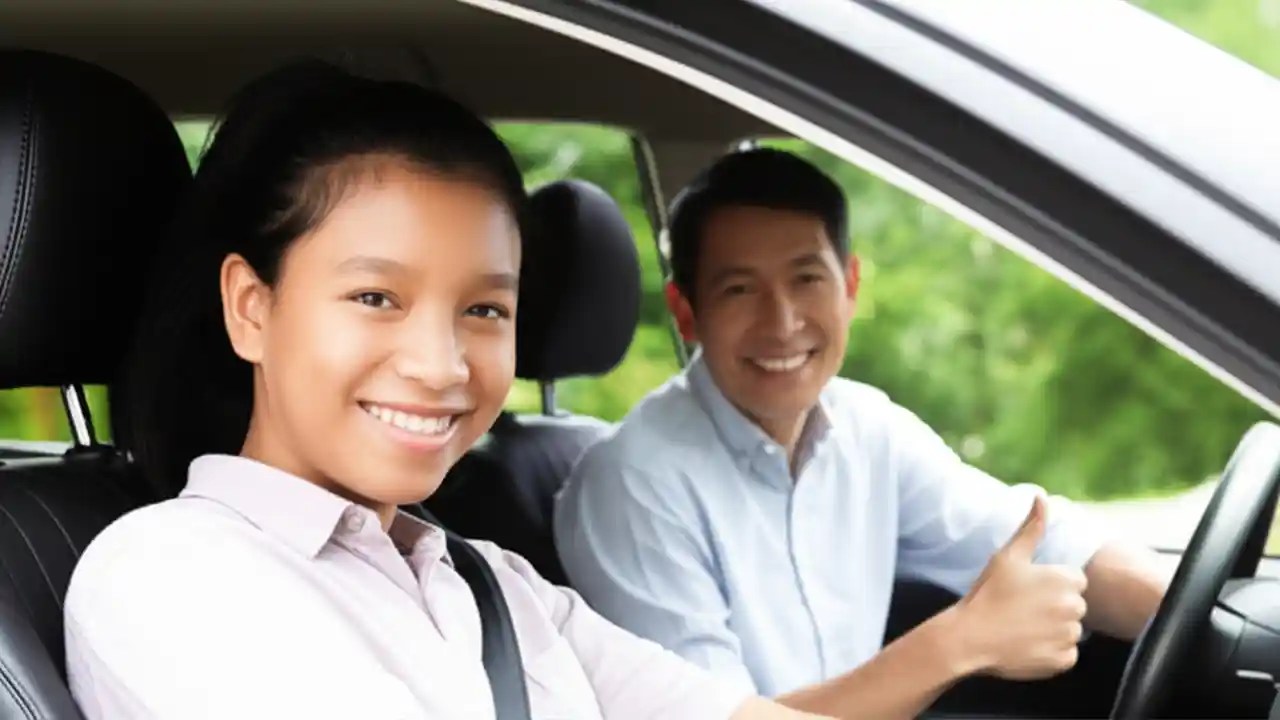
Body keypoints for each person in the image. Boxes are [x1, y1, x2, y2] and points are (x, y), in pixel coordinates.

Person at [61, 63, 831, 720]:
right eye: (375, 298)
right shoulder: (169, 575)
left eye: (485, 310)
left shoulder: (493, 582)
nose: (442, 365)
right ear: (251, 308)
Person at [554, 148, 1172, 719]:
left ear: (849, 286)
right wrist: (960, 642)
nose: (784, 322)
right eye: (739, 289)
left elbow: (1046, 540)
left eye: (806, 279)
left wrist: (1199, 616)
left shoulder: (866, 430)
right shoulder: (631, 486)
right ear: (687, 313)